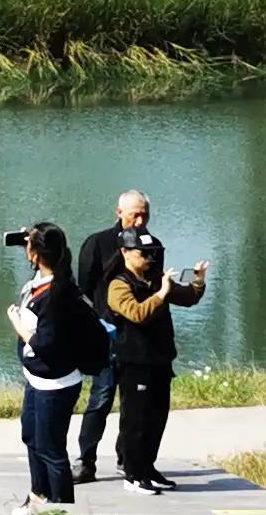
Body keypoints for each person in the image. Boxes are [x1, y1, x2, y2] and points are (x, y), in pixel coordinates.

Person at [74, 190, 204, 482]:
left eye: (145, 214)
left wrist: (194, 284)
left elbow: (156, 286)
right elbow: (84, 288)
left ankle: (130, 460)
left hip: (144, 339)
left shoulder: (152, 245)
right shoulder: (97, 243)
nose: (140, 219)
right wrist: (101, 323)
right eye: (135, 214)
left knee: (139, 406)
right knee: (102, 396)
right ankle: (86, 460)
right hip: (108, 334)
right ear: (118, 212)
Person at [4, 222, 101, 515]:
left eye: (29, 247)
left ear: (37, 255)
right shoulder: (48, 281)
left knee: (52, 449)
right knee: (31, 436)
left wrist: (17, 324)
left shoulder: (57, 296)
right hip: (37, 378)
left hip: (56, 384)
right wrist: (31, 243)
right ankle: (38, 495)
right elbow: (43, 269)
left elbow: (46, 343)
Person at [101, 238, 189, 492]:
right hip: (134, 361)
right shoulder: (118, 284)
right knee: (136, 421)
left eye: (153, 254)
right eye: (144, 253)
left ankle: (148, 468)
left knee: (156, 418)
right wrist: (161, 293)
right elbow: (137, 313)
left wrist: (198, 282)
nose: (149, 259)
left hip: (160, 359)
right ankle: (132, 473)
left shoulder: (155, 278)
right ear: (125, 253)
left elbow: (187, 298)